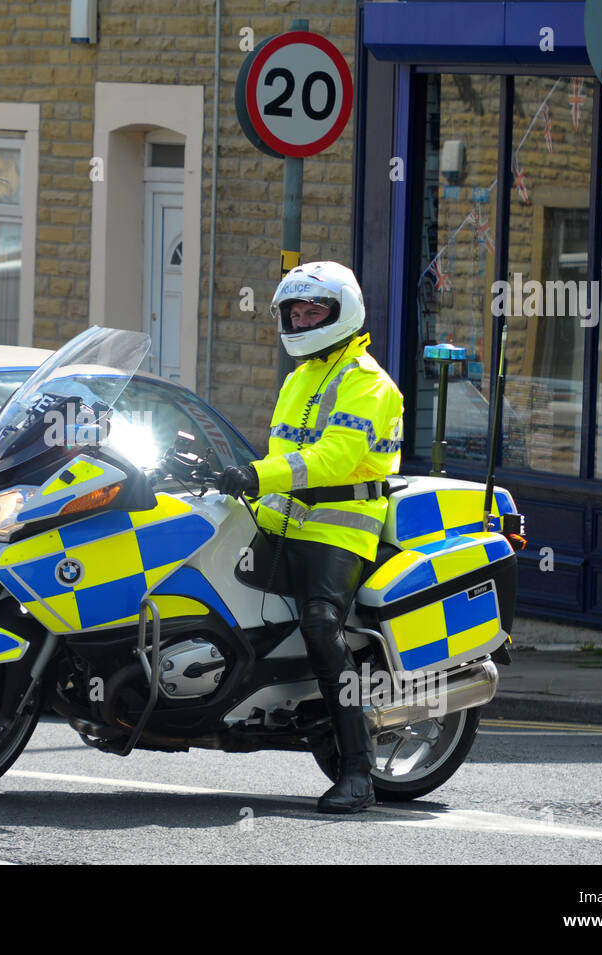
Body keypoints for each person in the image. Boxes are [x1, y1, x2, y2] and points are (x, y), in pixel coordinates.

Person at [219, 261, 404, 813]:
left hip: (339, 529)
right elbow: (284, 457)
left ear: (343, 313)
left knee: (322, 626)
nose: (300, 320)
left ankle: (356, 771)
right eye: (293, 312)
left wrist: (258, 476)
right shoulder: (299, 376)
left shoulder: (369, 383)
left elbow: (333, 458)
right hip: (279, 520)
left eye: (312, 310)